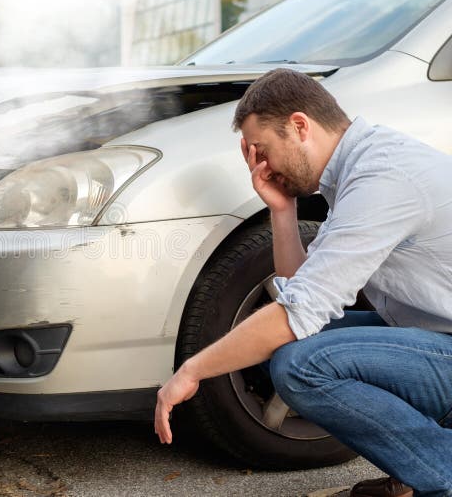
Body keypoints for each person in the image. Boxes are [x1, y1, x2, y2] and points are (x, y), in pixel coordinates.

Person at [154, 68, 452, 497]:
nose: (261, 164)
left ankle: (441, 471)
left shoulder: (382, 179)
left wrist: (191, 370)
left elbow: (298, 314)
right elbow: (302, 293)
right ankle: (415, 472)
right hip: (433, 337)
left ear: (298, 126)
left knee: (302, 365)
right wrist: (281, 210)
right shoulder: (361, 166)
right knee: (276, 343)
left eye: (264, 149)